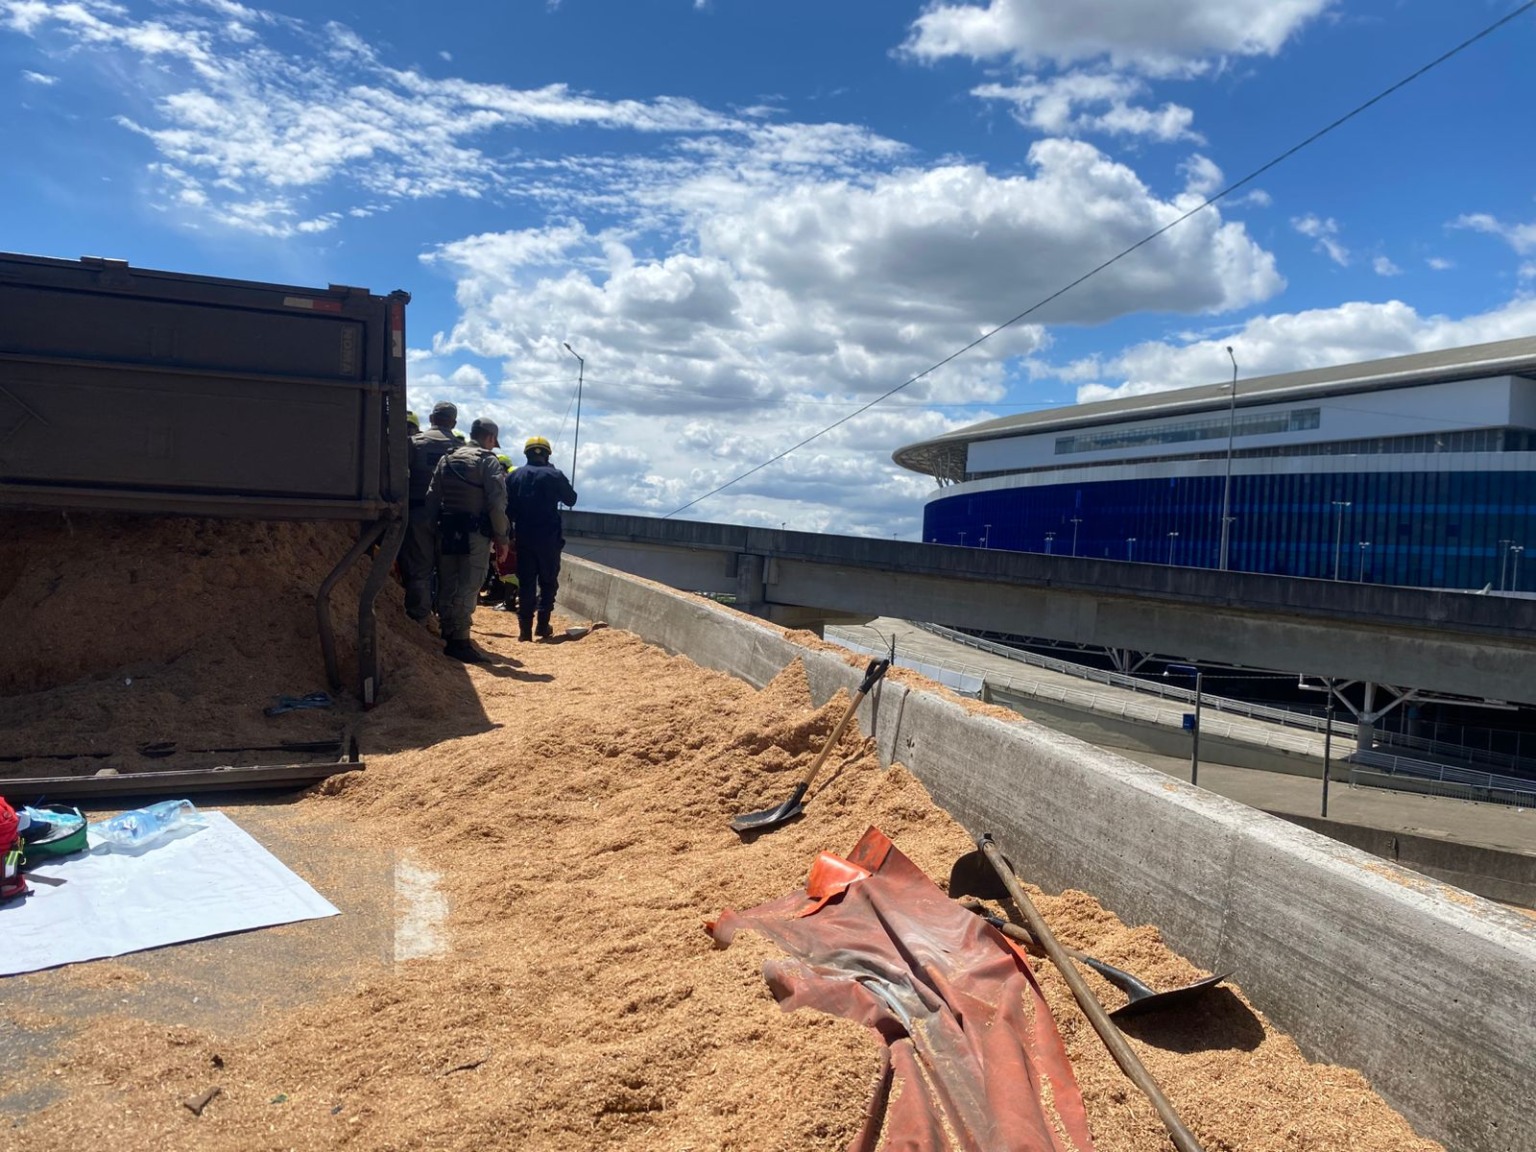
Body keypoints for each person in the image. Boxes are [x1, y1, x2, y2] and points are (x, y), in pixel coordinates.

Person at [425, 417, 510, 663]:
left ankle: (446, 631)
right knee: (469, 584)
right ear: (490, 438)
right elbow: (496, 504)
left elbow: (433, 497)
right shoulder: (487, 462)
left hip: (447, 529)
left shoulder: (448, 457)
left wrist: (431, 530)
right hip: (475, 534)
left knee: (447, 582)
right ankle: (460, 641)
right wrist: (502, 538)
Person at [506, 435, 577, 642]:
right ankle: (543, 626)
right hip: (549, 539)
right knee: (548, 582)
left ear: (526, 454)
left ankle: (524, 631)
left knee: (526, 583)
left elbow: (506, 510)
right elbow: (571, 499)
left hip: (524, 537)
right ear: (547, 455)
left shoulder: (514, 476)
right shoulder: (554, 475)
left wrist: (509, 536)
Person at [400, 402, 459, 623]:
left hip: (418, 513)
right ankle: (448, 624)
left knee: (419, 569)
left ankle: (420, 621)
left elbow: (398, 479)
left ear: (431, 418)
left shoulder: (414, 444)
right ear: (453, 422)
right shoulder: (460, 448)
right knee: (449, 573)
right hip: (451, 518)